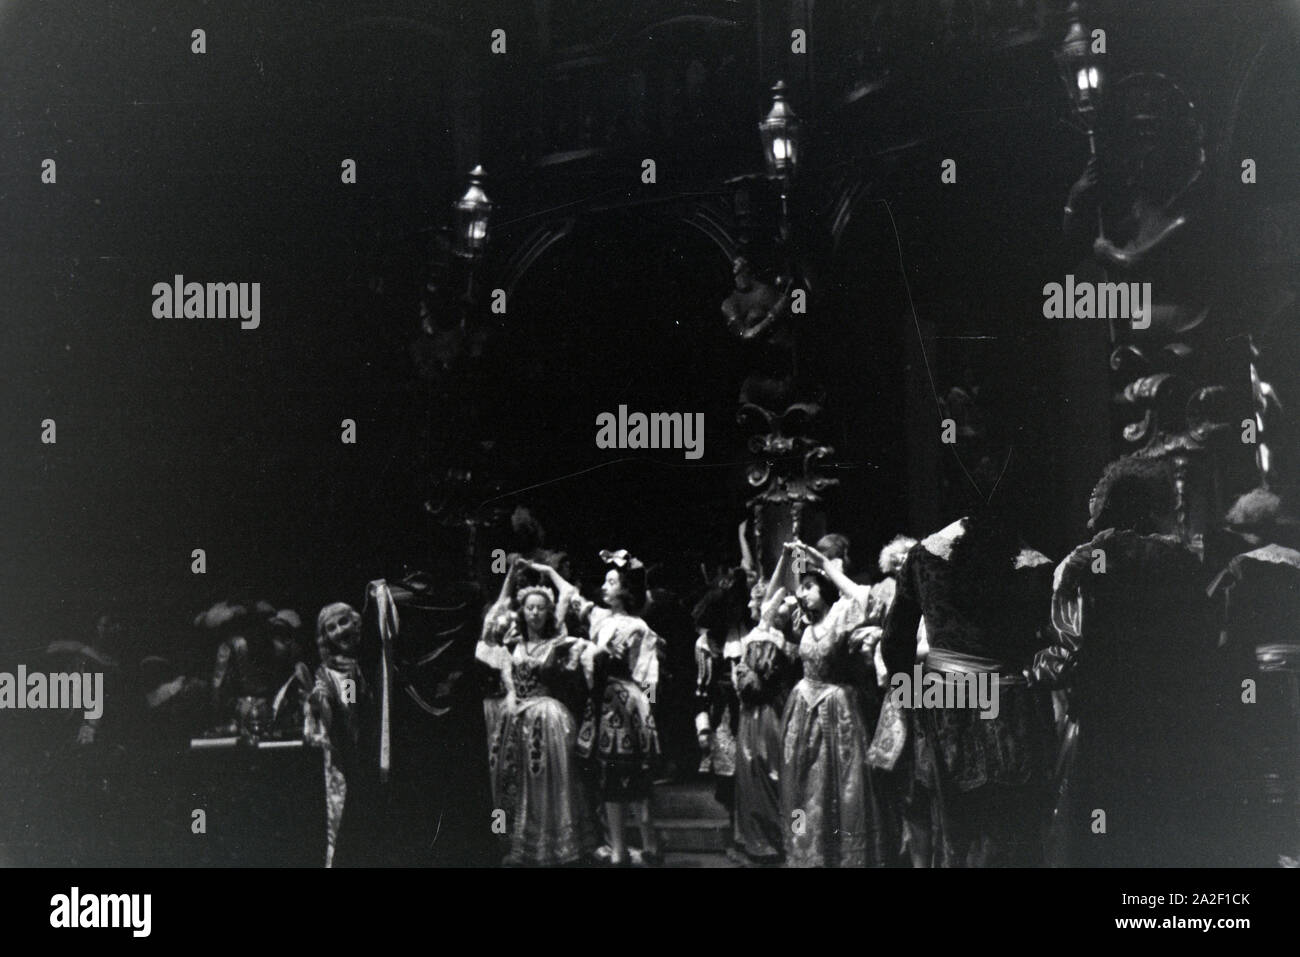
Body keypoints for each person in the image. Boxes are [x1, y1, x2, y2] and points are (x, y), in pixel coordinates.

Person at [1031, 456, 1231, 866]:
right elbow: (1203, 643)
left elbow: (1066, 650)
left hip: (1108, 720)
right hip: (1170, 722)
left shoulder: (1086, 561)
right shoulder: (1183, 562)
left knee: (1105, 831)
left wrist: (1033, 674)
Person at [881, 510, 1056, 867]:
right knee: (1010, 832)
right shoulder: (1037, 566)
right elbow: (1045, 645)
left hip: (944, 704)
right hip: (1011, 711)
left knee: (954, 832)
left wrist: (912, 702)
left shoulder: (924, 557)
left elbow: (894, 643)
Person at [549, 552, 665, 866]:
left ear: (625, 589)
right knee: (610, 777)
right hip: (603, 702)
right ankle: (617, 848)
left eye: (611, 581)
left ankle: (650, 843)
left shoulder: (639, 627)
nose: (604, 586)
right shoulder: (601, 618)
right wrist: (549, 571)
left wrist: (647, 712)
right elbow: (573, 598)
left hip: (626, 704)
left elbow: (648, 673)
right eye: (605, 581)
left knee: (636, 779)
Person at [778, 540, 889, 867]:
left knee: (836, 785)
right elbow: (770, 608)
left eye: (810, 587)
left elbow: (867, 601)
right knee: (799, 782)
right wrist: (786, 562)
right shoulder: (806, 623)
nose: (803, 593)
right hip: (802, 708)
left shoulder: (840, 614)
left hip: (835, 709)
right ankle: (802, 849)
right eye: (802, 588)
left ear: (824, 589)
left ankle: (836, 853)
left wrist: (821, 561)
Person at [488, 581, 597, 866]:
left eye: (540, 608)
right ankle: (515, 844)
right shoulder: (515, 644)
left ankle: (554, 846)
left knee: (547, 781)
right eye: (530, 607)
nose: (535, 613)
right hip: (515, 717)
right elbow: (506, 673)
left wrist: (546, 571)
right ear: (522, 611)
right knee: (513, 781)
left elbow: (570, 596)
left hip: (547, 719)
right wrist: (511, 694)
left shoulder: (558, 643)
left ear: (548, 612)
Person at [732, 585, 798, 863]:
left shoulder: (769, 641)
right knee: (754, 775)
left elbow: (756, 684)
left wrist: (744, 676)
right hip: (753, 715)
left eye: (754, 602)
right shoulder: (756, 638)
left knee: (770, 771)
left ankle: (779, 841)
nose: (749, 606)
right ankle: (760, 840)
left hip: (768, 714)